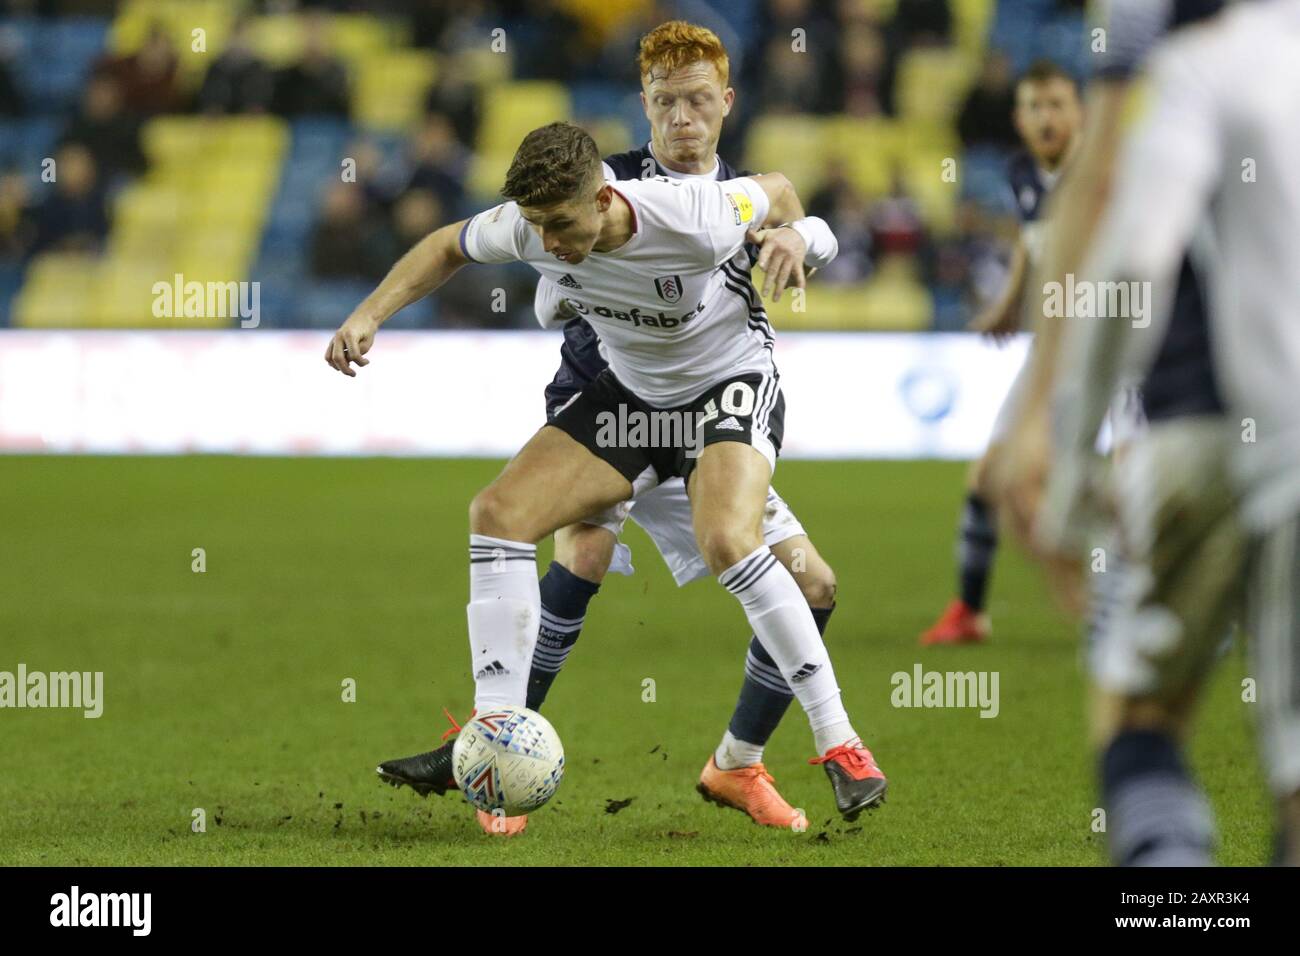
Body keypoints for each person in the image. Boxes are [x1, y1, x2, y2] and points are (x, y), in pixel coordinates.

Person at [326, 120, 887, 838]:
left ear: (603, 198)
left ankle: (834, 741)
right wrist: (368, 315)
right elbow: (445, 245)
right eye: (538, 229)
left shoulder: (695, 215)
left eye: (562, 225)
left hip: (724, 390)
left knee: (744, 547)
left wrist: (797, 237)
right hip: (630, 399)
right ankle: (495, 737)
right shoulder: (532, 228)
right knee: (498, 513)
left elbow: (778, 193)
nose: (550, 244)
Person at [918, 60, 1082, 645]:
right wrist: (1010, 303)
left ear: (1079, 111)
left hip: (1123, 350)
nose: (1045, 118)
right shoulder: (1022, 172)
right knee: (990, 477)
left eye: (1057, 105)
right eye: (1034, 107)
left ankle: (1165, 608)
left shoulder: (1099, 174)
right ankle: (970, 612)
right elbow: (1030, 244)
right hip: (1054, 349)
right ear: (1018, 116)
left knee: (1145, 484)